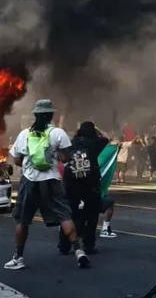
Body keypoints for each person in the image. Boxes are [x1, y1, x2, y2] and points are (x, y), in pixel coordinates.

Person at [5, 100, 89, 269]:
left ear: (35, 115)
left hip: (29, 181)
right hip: (52, 180)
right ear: (51, 116)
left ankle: (18, 257)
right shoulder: (58, 133)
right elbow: (66, 158)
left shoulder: (24, 134)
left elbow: (17, 160)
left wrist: (31, 163)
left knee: (23, 220)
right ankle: (79, 251)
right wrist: (53, 154)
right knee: (65, 215)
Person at [58, 121, 109, 255]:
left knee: (70, 213)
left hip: (72, 182)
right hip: (90, 182)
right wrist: (97, 128)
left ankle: (64, 245)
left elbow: (63, 157)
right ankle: (89, 245)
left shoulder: (72, 142)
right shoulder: (95, 142)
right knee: (92, 215)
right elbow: (107, 137)